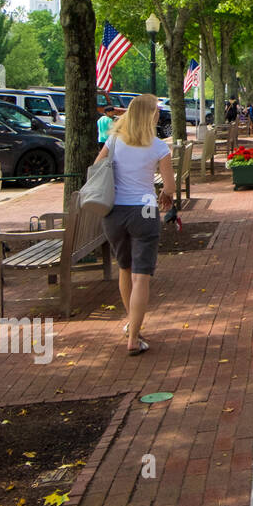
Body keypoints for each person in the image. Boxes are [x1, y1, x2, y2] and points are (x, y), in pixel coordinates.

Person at [91, 93, 174, 355]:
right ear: (150, 116)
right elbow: (170, 187)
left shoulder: (114, 141)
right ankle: (133, 337)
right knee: (142, 276)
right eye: (156, 111)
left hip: (115, 212)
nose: (159, 114)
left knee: (124, 269)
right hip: (146, 210)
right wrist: (165, 195)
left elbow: (97, 167)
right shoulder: (159, 146)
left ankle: (132, 325)